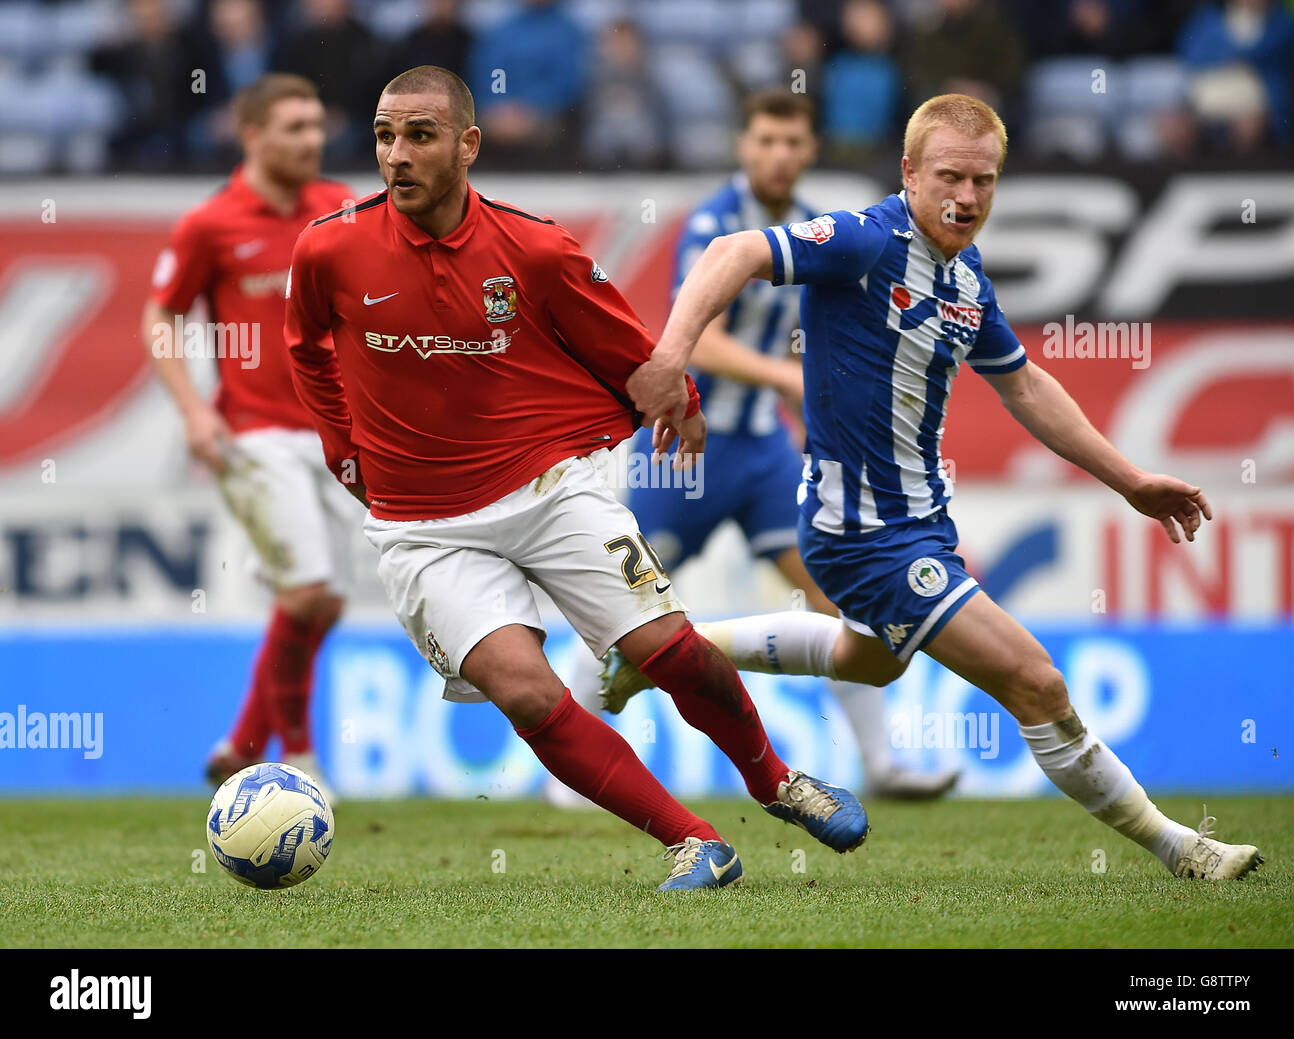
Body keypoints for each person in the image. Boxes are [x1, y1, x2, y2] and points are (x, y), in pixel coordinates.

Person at [624, 93, 1262, 881]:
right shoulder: (864, 239)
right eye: (951, 177)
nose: (967, 197)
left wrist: (1130, 480)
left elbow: (1024, 385)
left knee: (875, 659)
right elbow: (731, 253)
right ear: (909, 174)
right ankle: (1181, 848)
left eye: (984, 181)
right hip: (862, 534)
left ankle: (675, 649)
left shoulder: (965, 278)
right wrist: (669, 358)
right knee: (1037, 680)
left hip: (920, 525)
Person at [282, 65, 869, 891]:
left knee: (669, 650)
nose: (397, 155)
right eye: (384, 135)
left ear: (468, 144)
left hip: (549, 488)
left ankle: (776, 778)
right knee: (525, 692)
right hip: (421, 527)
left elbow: (624, 347)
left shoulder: (534, 246)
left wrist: (682, 396)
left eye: (419, 135)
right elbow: (306, 347)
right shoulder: (330, 248)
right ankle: (694, 841)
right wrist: (343, 449)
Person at [575, 88, 958, 802]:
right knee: (623, 600)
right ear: (743, 147)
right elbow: (706, 340)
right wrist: (787, 374)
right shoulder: (715, 224)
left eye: (791, 142)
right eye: (764, 141)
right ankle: (573, 774)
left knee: (830, 595)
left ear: (810, 149)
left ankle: (881, 762)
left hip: (763, 453)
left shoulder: (813, 230)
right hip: (686, 447)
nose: (778, 155)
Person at [143, 74, 355, 796]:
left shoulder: (338, 209)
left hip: (332, 434)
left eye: (317, 125)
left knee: (324, 602)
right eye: (295, 127)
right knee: (306, 593)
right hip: (254, 433)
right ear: (253, 135)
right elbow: (160, 316)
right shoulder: (211, 224)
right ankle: (297, 758)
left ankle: (239, 742)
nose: (312, 140)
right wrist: (193, 411)